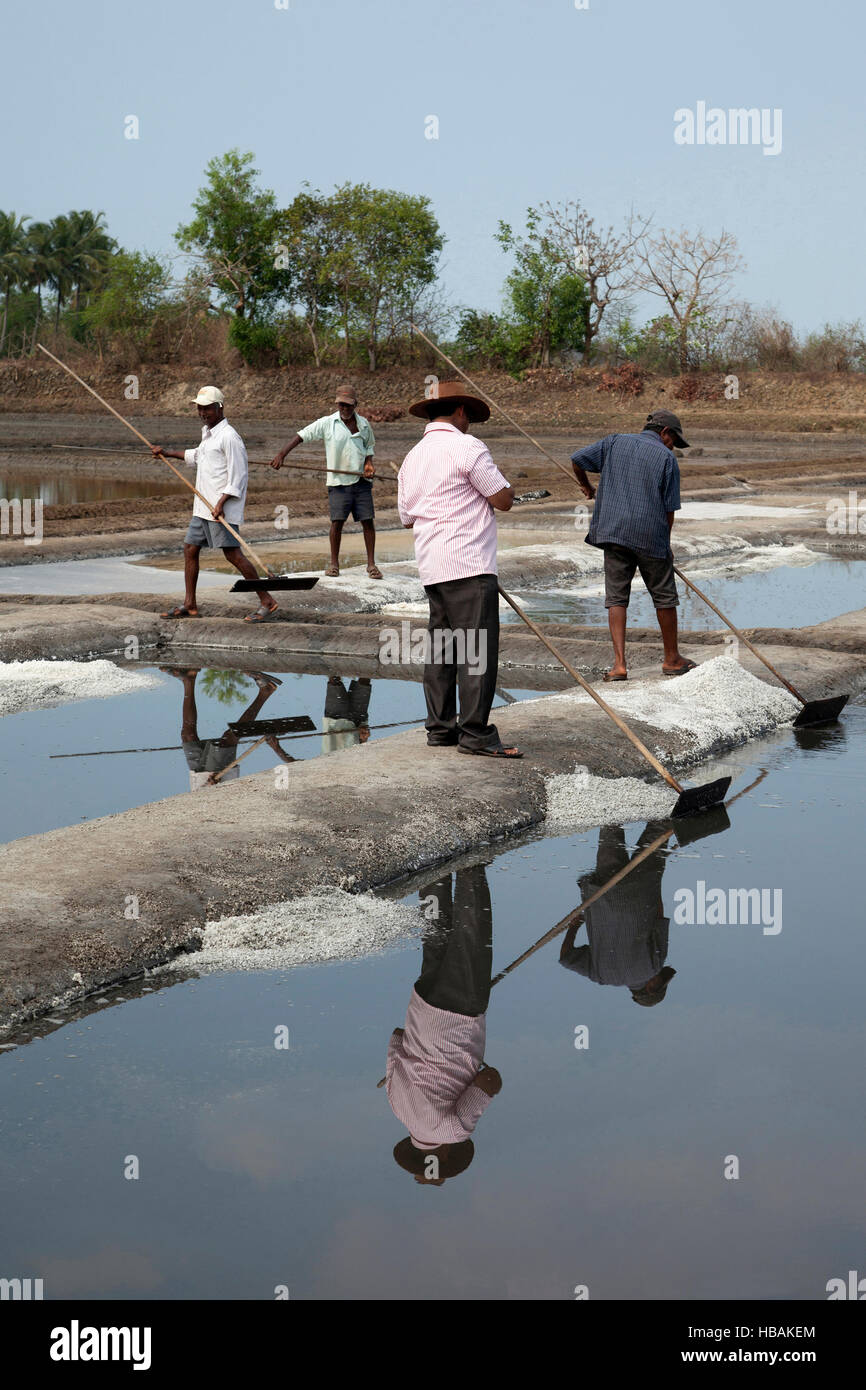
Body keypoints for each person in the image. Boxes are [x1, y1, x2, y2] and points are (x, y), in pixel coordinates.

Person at [398, 380, 521, 759]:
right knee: (476, 653)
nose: (469, 423)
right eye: (469, 417)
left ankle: (440, 729)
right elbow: (503, 500)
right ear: (460, 412)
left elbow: (406, 517)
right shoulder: (467, 446)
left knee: (442, 650)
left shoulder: (412, 456)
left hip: (433, 566)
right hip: (469, 565)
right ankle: (475, 734)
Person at [386, 863, 500, 1185]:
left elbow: (491, 1082)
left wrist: (471, 1069)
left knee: (470, 935)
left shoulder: (453, 1129)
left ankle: (472, 865)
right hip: (423, 1005)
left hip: (460, 1015)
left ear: (444, 1154)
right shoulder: (396, 1105)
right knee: (435, 934)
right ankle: (434, 865)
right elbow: (396, 1038)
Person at [570, 408, 695, 681]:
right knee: (664, 596)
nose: (673, 446)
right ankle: (672, 659)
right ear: (664, 433)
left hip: (613, 531)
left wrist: (587, 487)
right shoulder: (666, 458)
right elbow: (669, 509)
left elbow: (577, 459)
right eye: (674, 440)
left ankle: (619, 665)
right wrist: (666, 544)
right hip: (649, 534)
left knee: (616, 597)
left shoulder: (614, 442)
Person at [153, 387, 277, 624]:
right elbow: (197, 456)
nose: (203, 412)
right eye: (200, 408)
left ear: (220, 408)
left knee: (233, 555)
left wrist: (221, 503)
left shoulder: (230, 437)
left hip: (220, 509)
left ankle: (266, 600)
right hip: (203, 507)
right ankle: (190, 604)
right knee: (190, 548)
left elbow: (238, 478)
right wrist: (166, 453)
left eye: (207, 408)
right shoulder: (208, 434)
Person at [269, 385, 382, 579]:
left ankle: (371, 565)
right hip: (338, 482)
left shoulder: (363, 425)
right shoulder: (328, 423)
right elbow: (301, 435)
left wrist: (368, 465)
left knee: (367, 522)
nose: (344, 409)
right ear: (337, 404)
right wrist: (281, 454)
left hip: (361, 482)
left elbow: (369, 447)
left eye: (348, 406)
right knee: (336, 523)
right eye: (341, 405)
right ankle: (334, 564)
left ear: (355, 405)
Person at [558, 822, 677, 1007]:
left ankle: (663, 806)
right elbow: (566, 958)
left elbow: (659, 916)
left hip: (641, 891)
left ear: (651, 987)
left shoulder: (654, 966)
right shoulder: (601, 976)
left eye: (659, 980)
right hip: (603, 893)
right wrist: (574, 926)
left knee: (659, 830)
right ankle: (611, 800)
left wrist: (654, 881)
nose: (659, 975)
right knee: (610, 829)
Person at [160, 667, 295, 790]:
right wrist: (215, 788)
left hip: (198, 784)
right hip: (221, 786)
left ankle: (189, 679)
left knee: (188, 736)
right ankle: (265, 691)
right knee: (228, 739)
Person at [320, 675, 372, 756]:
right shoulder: (358, 762)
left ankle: (336, 663)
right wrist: (364, 738)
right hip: (357, 722)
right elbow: (361, 744)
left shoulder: (324, 763)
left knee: (334, 682)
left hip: (335, 720)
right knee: (364, 683)